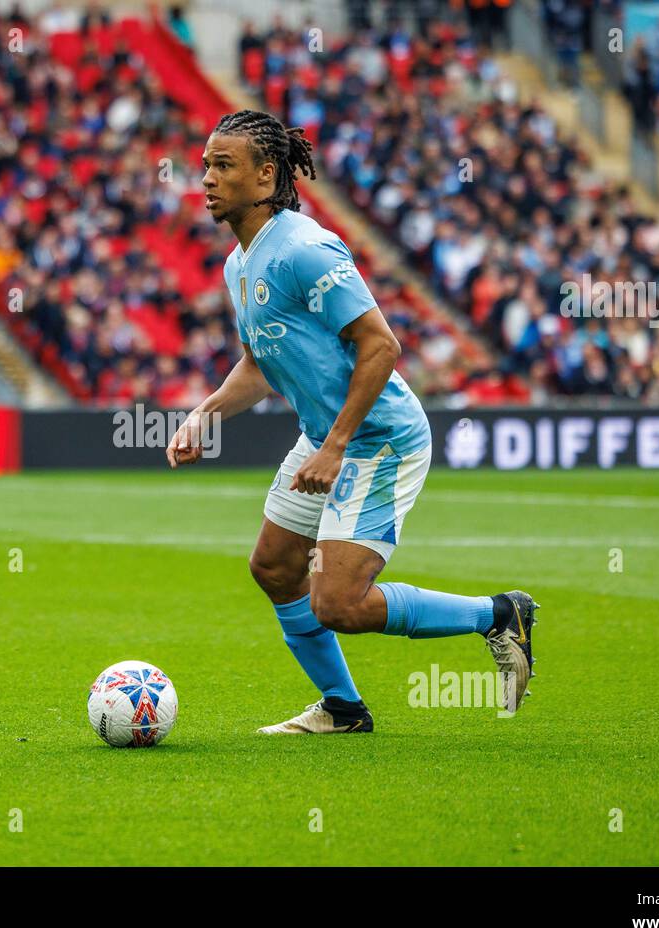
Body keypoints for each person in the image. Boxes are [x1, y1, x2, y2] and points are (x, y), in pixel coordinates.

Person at [167, 110, 538, 733]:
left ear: (266, 174)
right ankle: (342, 708)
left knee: (337, 602)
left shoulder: (304, 248)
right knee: (274, 567)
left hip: (378, 439)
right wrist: (206, 412)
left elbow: (381, 346)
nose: (205, 178)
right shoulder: (240, 264)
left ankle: (500, 614)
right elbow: (260, 364)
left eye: (221, 165)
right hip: (327, 439)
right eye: (205, 164)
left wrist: (336, 445)